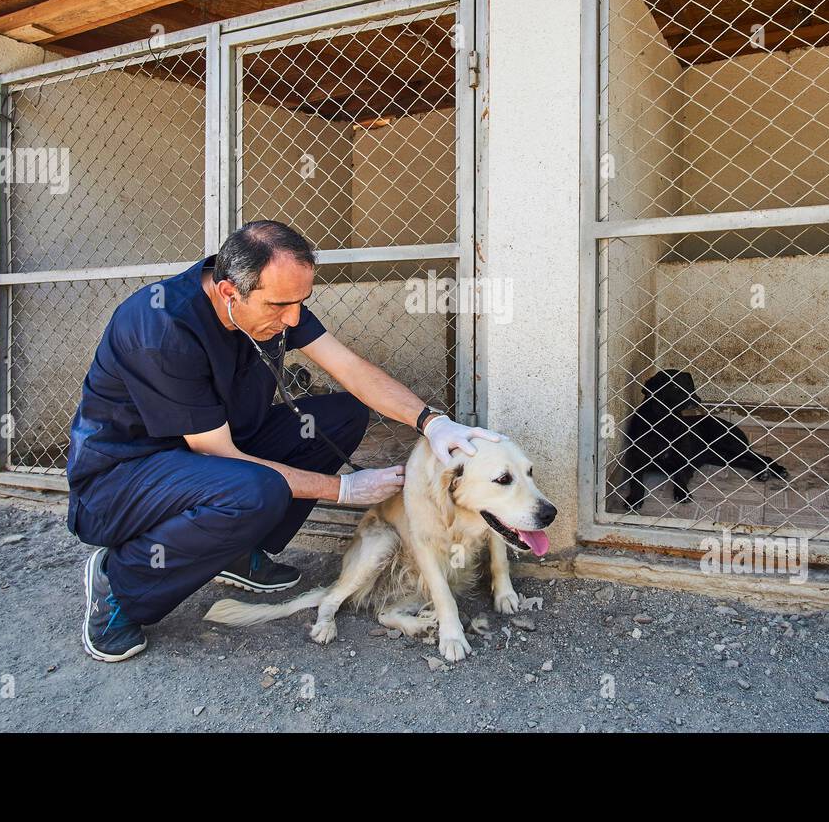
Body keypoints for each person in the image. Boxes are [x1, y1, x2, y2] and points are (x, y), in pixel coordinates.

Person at [66, 219, 503, 661]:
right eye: (280, 306)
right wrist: (344, 489)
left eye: (301, 302)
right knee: (255, 489)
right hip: (121, 481)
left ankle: (236, 552)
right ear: (228, 293)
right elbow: (218, 454)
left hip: (205, 457)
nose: (292, 319)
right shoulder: (162, 327)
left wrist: (432, 422)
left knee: (344, 413)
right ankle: (119, 583)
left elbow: (350, 369)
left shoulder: (275, 306)